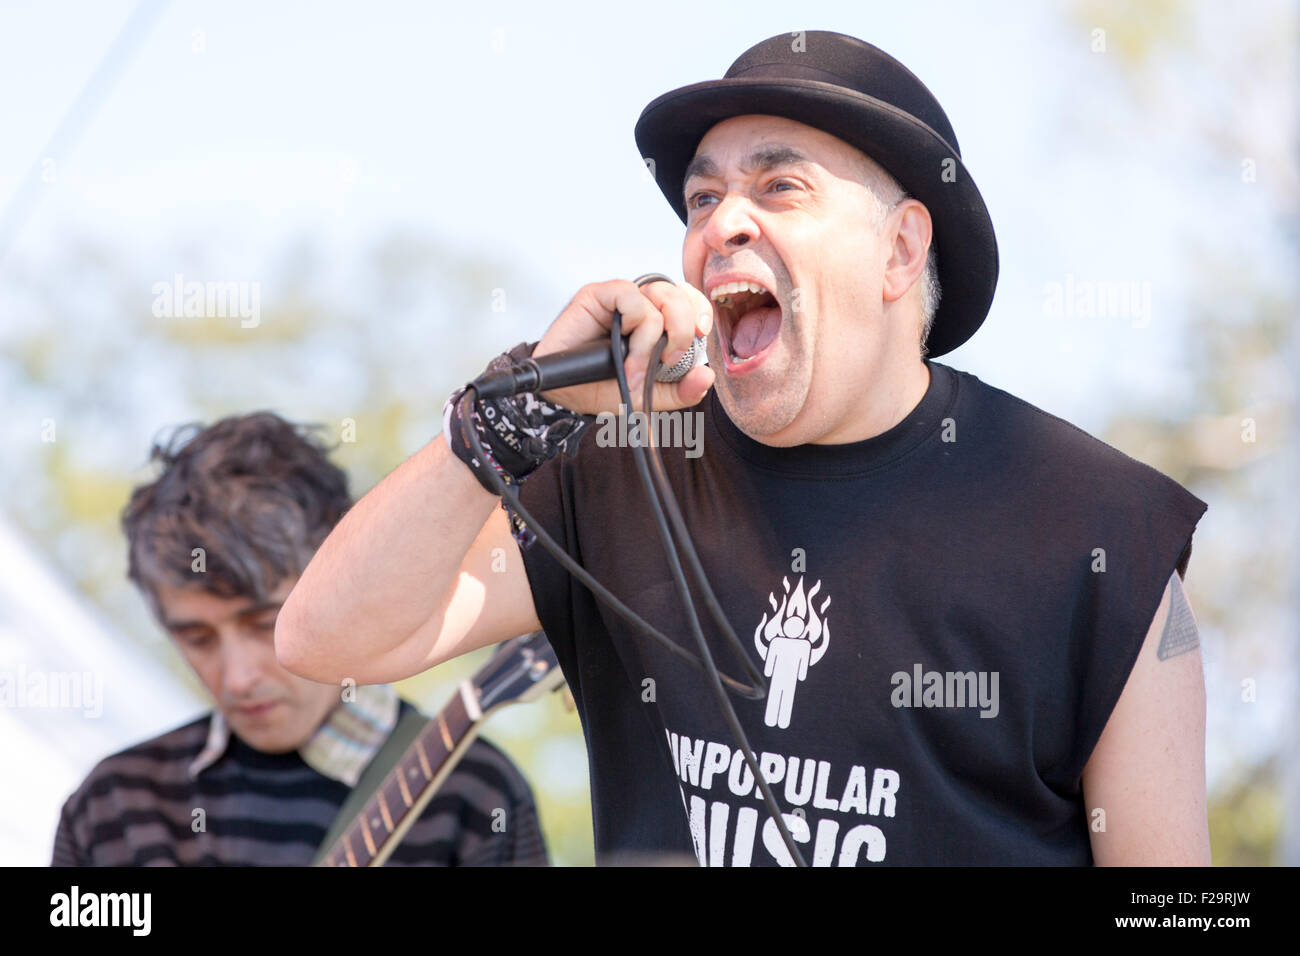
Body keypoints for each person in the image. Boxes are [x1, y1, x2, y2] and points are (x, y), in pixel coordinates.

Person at [276, 32, 1210, 866]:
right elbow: (323, 639)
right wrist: (521, 408)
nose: (720, 226)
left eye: (779, 186)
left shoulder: (1095, 531)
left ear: (899, 250)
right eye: (703, 198)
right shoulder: (620, 461)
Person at [53, 411, 548, 866]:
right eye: (198, 638)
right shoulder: (111, 806)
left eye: (265, 624)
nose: (239, 678)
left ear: (341, 581)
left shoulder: (478, 798)